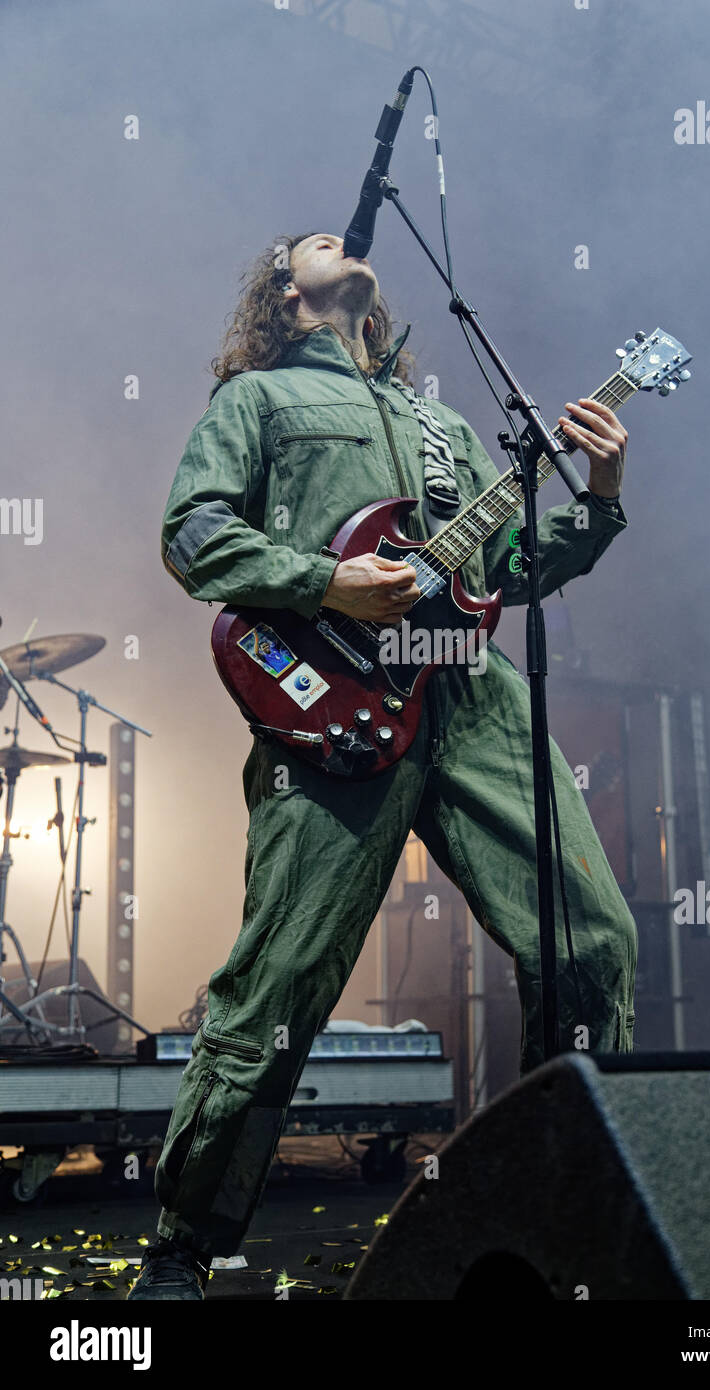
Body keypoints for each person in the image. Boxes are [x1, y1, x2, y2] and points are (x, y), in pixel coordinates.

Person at [128, 231, 637, 1300]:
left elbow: (502, 572)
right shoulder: (257, 401)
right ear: (282, 286)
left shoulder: (438, 419)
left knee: (591, 939)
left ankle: (570, 1207)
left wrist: (594, 496)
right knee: (280, 980)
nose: (341, 240)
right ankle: (184, 1245)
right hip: (335, 716)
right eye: (313, 239)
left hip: (467, 696)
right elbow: (194, 532)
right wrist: (324, 581)